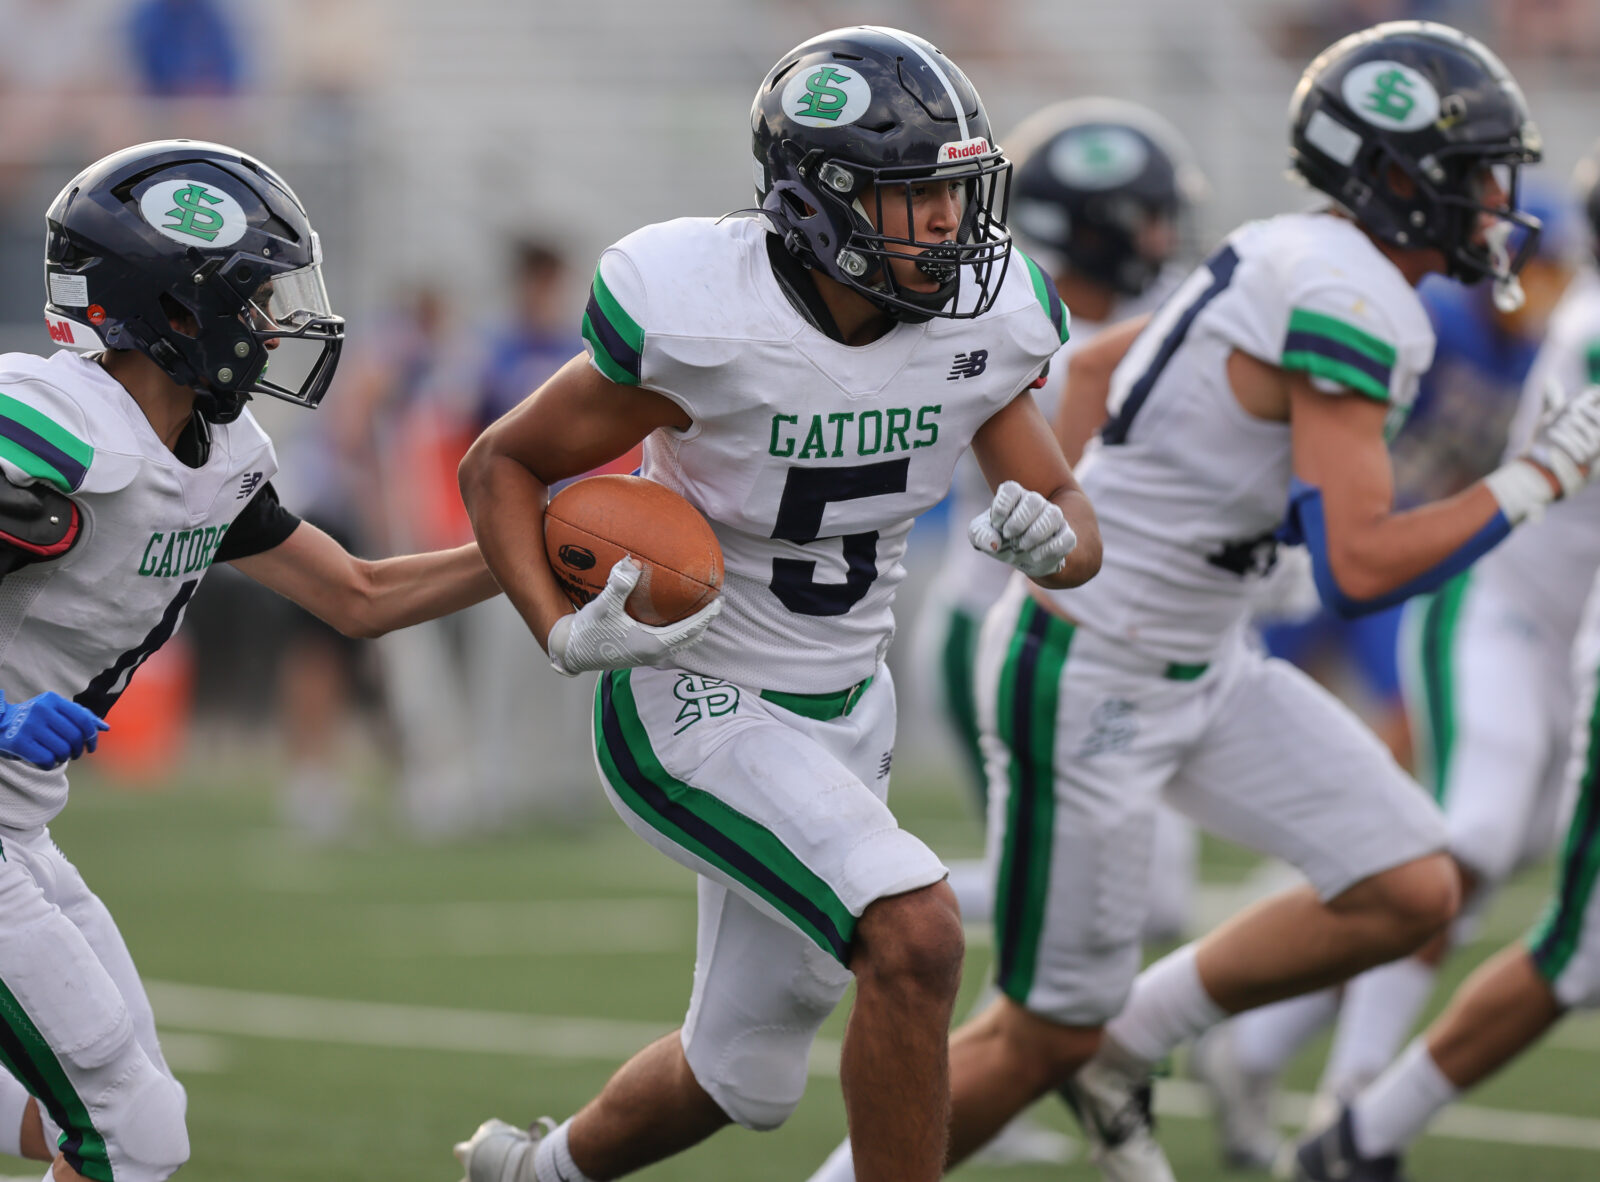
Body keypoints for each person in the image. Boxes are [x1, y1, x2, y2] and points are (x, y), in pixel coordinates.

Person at [805, 20, 1600, 1182]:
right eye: (1478, 171)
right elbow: (1362, 566)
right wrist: (1536, 478)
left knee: (1409, 886)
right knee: (1035, 1030)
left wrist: (1086, 506)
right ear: (1397, 177)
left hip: (1201, 658)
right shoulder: (1345, 292)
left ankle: (1127, 1042)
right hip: (1096, 671)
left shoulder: (1301, 253)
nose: (1497, 199)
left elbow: (1091, 369)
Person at [451, 25, 1100, 1182]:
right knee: (914, 933)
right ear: (820, 204)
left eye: (960, 192)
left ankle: (532, 1173)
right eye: (917, 200)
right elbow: (501, 463)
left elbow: (1063, 506)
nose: (952, 226)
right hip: (691, 693)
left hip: (850, 701)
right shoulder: (701, 312)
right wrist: (558, 626)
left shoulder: (981, 322)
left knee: (739, 1074)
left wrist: (1054, 540)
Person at [0, 138, 501, 1182]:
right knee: (132, 1131)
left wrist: (537, 556)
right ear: (172, 309)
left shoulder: (211, 460)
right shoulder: (59, 433)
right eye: (254, 296)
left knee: (101, 1122)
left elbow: (359, 596)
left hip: (21, 827)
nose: (275, 323)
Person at [1194, 164, 1597, 1170]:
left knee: (1485, 875)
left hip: (1565, 635)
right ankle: (1353, 1097)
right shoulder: (1577, 324)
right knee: (1467, 843)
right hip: (1503, 613)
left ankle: (1259, 1043)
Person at [912, 96, 1206, 949]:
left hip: (1114, 627)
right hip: (1012, 623)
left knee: (1143, 900)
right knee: (1062, 890)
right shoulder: (1022, 326)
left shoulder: (1137, 314)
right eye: (1149, 219)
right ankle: (870, 904)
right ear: (1094, 226)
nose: (1165, 238)